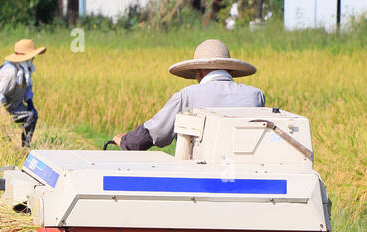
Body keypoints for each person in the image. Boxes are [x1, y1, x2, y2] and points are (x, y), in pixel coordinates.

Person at [113, 39, 264, 152]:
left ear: (198, 72)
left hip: (200, 175)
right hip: (243, 174)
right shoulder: (255, 96)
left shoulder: (187, 96)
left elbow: (157, 132)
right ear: (230, 71)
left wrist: (127, 141)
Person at [0, 39, 46, 148]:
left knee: (31, 116)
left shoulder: (25, 70)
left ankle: (25, 148)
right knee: (3, 137)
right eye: (32, 56)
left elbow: (28, 88)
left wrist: (30, 103)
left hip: (12, 104)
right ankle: (4, 147)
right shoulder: (10, 72)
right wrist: (3, 117)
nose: (34, 58)